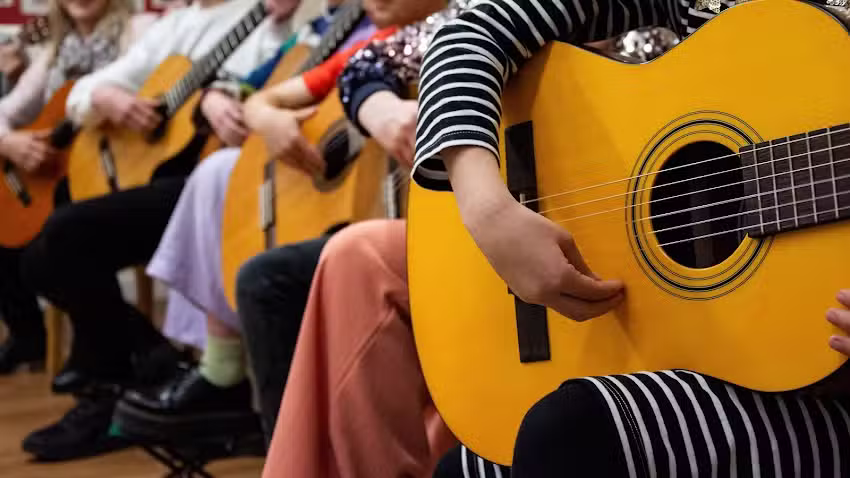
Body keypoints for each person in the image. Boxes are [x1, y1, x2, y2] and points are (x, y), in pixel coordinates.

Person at [410, 0, 850, 476]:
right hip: (714, 361)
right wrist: (488, 207)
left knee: (570, 437)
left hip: (821, 391)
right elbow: (471, 37)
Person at [18, 0, 297, 461]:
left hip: (214, 182)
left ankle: (117, 388)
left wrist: (213, 97)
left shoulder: (265, 15)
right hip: (159, 177)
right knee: (38, 255)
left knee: (62, 238)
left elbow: (273, 82)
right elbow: (82, 92)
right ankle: (146, 367)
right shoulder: (176, 24)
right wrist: (105, 98)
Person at [112, 0, 379, 442]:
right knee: (221, 174)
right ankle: (229, 374)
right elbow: (255, 85)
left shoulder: (387, 30)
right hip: (299, 169)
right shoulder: (315, 29)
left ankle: (230, 374)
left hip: (355, 180)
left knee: (223, 179)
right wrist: (217, 98)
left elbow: (364, 79)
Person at [0, 0, 156, 375]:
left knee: (50, 247)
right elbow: (5, 110)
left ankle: (121, 348)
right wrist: (8, 142)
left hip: (115, 173)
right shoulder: (54, 53)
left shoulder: (141, 33)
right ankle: (28, 335)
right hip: (59, 177)